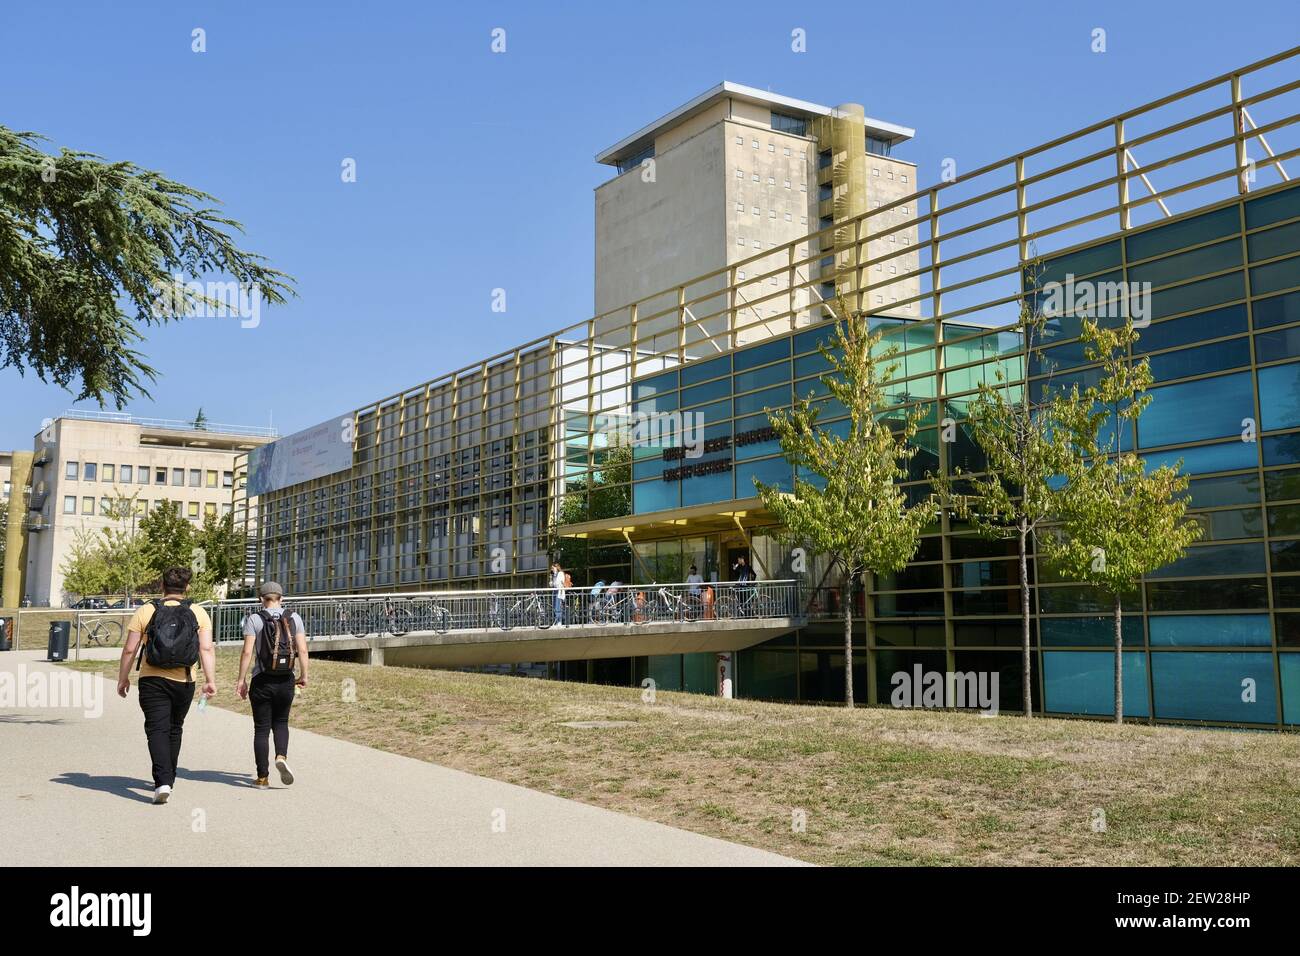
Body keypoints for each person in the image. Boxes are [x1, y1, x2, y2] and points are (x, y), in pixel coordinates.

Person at [116, 567, 216, 805]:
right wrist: (210, 681)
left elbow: (130, 649)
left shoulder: (146, 610)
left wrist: (123, 677)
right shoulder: (198, 612)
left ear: (162, 586)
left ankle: (162, 781)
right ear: (187, 588)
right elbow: (206, 649)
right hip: (184, 680)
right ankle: (168, 779)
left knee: (156, 729)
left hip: (152, 680)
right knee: (174, 728)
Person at [236, 582, 309, 790]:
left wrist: (241, 680)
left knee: (261, 729)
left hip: (262, 680)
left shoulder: (255, 619)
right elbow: (303, 651)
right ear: (281, 598)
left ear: (261, 599)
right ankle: (281, 755)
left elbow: (247, 653)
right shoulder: (294, 618)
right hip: (286, 679)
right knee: (281, 721)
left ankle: (262, 778)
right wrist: (303, 675)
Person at [550, 562, 567, 626]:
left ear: (556, 567)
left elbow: (557, 584)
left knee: (558, 607)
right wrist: (551, 581)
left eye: (553, 568)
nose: (552, 569)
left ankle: (559, 621)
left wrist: (554, 578)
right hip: (554, 592)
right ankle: (557, 620)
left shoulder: (560, 573)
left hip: (559, 592)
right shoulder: (554, 575)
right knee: (554, 606)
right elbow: (552, 585)